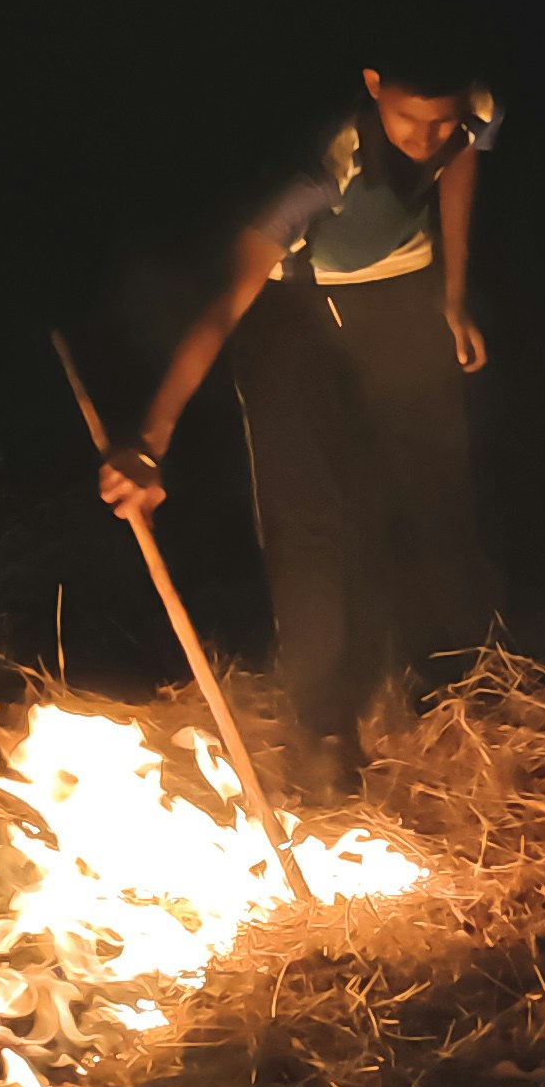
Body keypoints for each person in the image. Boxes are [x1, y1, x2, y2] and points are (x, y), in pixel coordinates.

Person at [99, 53, 500, 790]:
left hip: (397, 297)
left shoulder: (471, 108)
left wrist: (452, 290)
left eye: (441, 119)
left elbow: (463, 159)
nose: (427, 137)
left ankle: (448, 690)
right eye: (410, 119)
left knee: (428, 492)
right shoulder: (316, 172)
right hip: (294, 312)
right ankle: (322, 727)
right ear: (375, 85)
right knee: (307, 519)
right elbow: (224, 307)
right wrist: (151, 443)